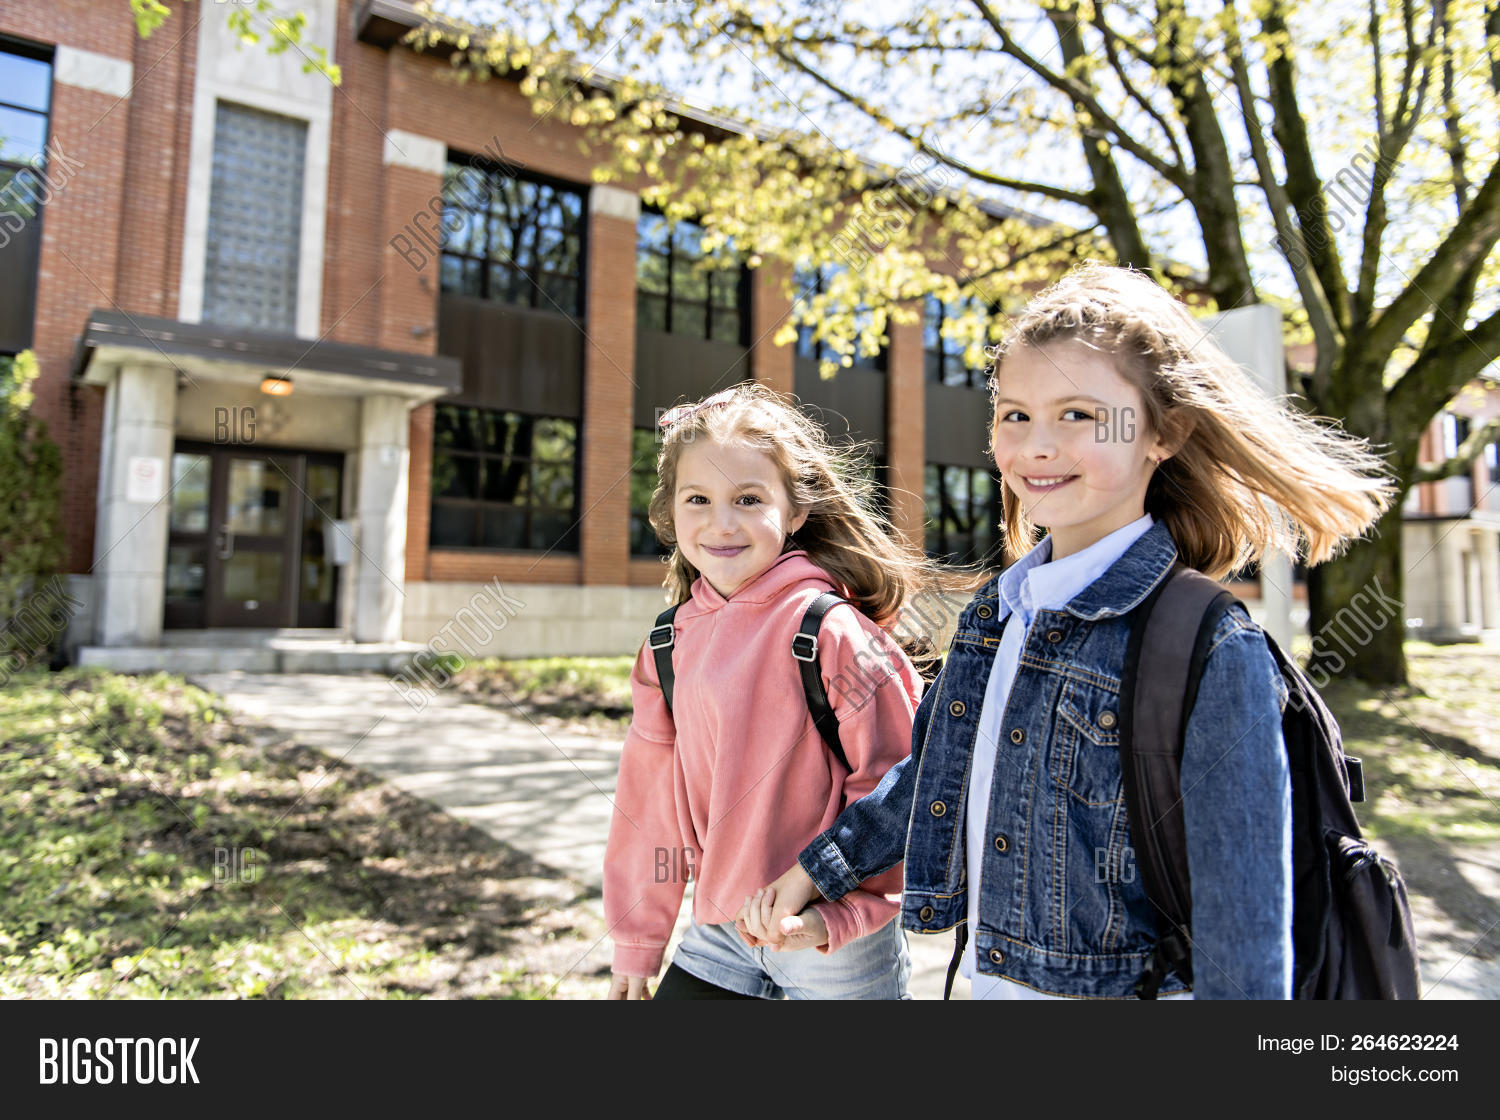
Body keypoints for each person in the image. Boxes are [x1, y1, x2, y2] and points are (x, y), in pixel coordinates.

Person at [737, 261, 1395, 999]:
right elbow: (935, 775)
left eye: (1077, 414)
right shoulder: (998, 614)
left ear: (1164, 431)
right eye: (1015, 415)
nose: (1035, 446)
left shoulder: (1211, 646)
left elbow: (1245, 943)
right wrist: (815, 874)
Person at [603, 381, 967, 1000]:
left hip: (830, 940)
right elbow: (649, 804)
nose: (722, 522)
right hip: (721, 927)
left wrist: (841, 913)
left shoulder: (830, 630)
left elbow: (900, 786)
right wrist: (637, 940)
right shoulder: (666, 644)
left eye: (748, 499)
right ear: (669, 511)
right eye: (698, 499)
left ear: (795, 511)